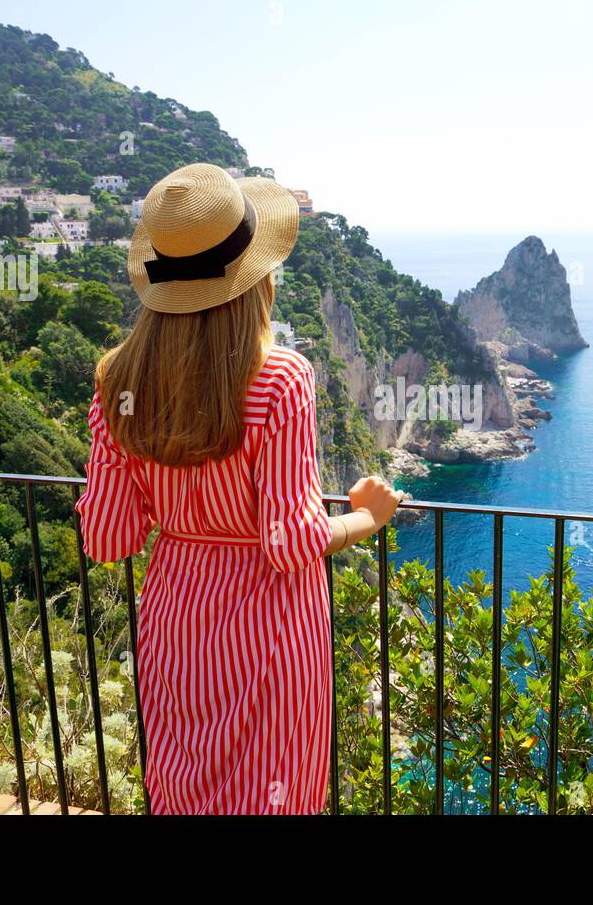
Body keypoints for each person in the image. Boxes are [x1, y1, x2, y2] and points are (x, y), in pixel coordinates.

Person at [75, 163, 402, 814]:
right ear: (256, 276)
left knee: (183, 787)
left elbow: (108, 537)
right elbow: (291, 541)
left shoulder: (117, 384)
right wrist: (369, 515)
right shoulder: (279, 380)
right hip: (269, 635)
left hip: (177, 627)